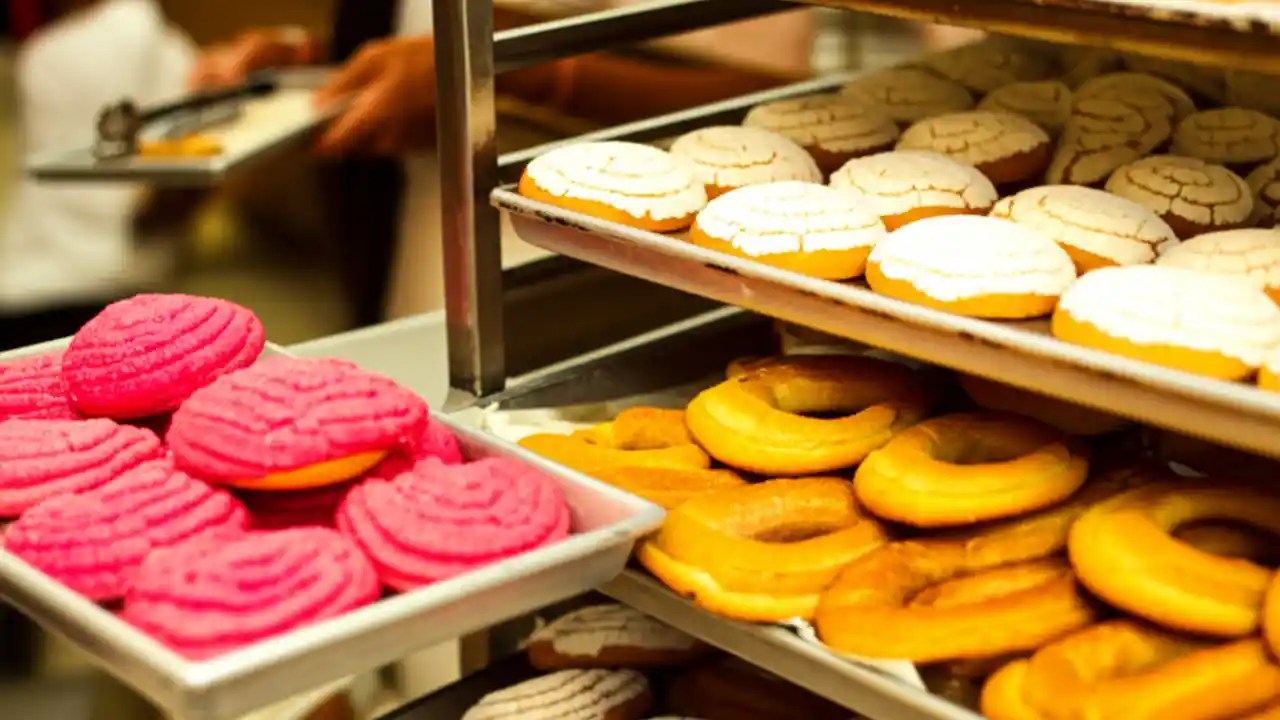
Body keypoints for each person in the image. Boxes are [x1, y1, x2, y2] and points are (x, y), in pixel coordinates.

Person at [0, 0, 195, 350]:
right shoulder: (172, 52)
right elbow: (174, 192)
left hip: (17, 287)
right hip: (110, 290)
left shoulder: (42, 53)